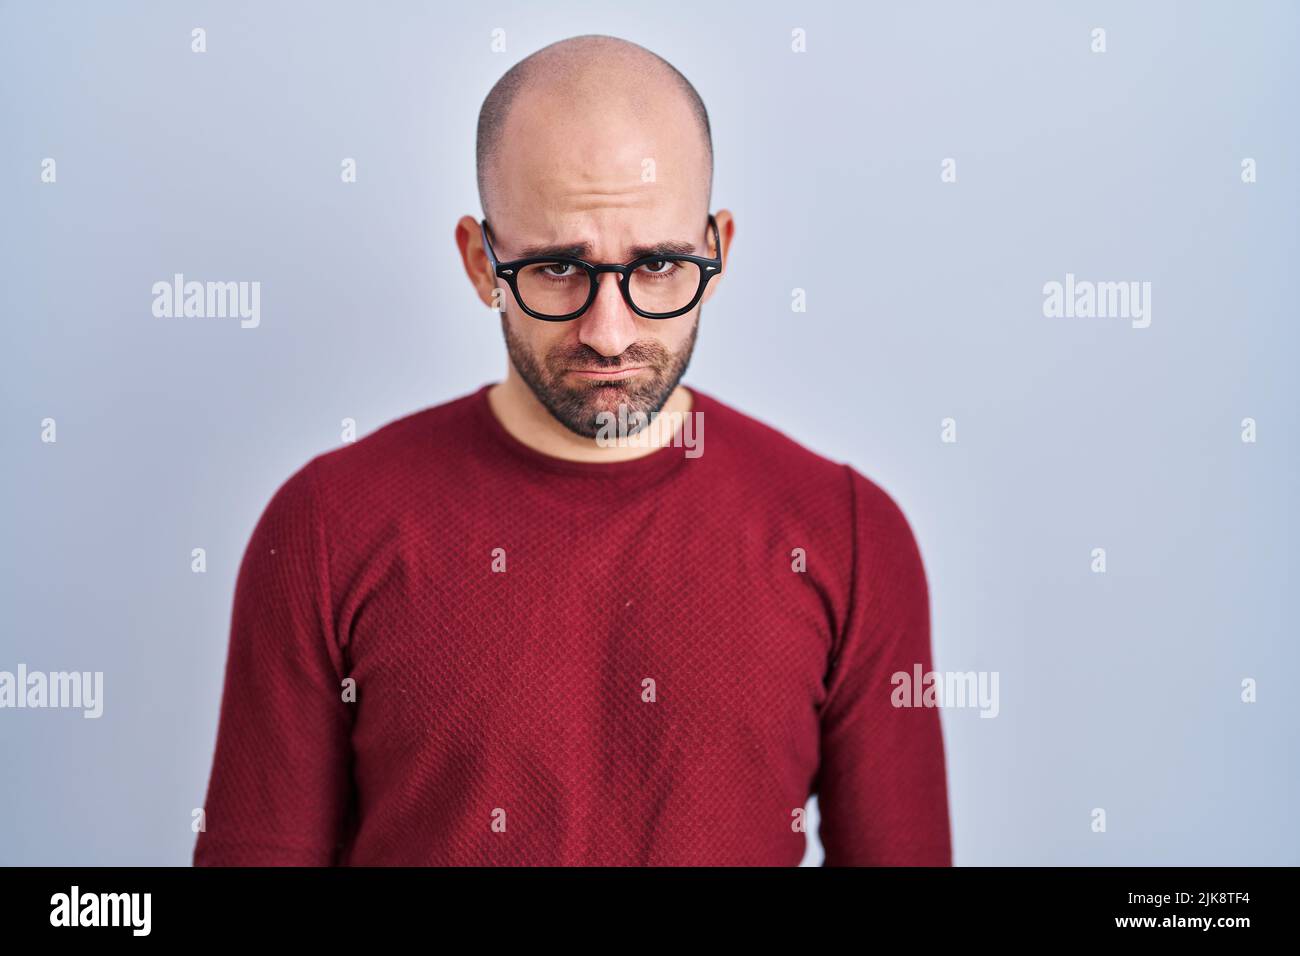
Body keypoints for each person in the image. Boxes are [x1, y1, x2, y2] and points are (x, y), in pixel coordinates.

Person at [193, 34, 951, 866]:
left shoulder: (847, 536)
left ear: (718, 250)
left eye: (658, 265)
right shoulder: (325, 527)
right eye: (557, 268)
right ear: (482, 265)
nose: (610, 331)